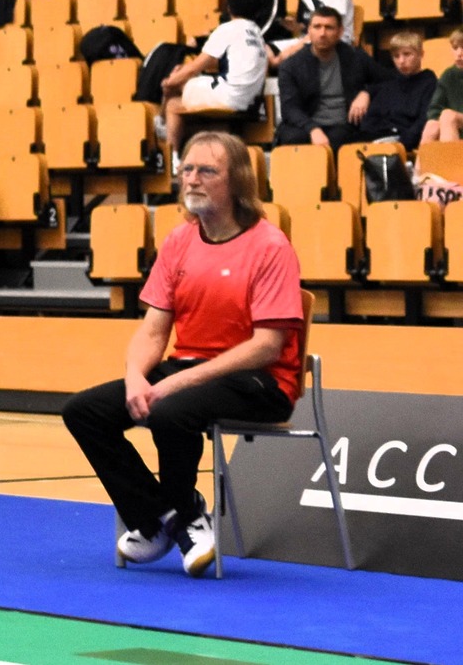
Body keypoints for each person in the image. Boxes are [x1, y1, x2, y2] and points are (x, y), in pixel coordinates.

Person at [60, 131, 303, 577]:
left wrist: (173, 382)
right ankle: (167, 519)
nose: (192, 179)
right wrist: (136, 375)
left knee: (171, 408)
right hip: (189, 371)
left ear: (238, 181)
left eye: (207, 171)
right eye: (187, 169)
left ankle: (177, 516)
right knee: (84, 411)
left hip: (260, 381)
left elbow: (268, 345)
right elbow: (154, 329)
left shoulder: (270, 246)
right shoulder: (178, 242)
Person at [159, 17, 269, 156]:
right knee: (180, 84)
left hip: (231, 97)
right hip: (252, 98)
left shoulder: (228, 30)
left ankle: (171, 153)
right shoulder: (256, 33)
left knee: (173, 102)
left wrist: (168, 82)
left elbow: (194, 69)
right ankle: (164, 123)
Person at [275, 7, 382, 148]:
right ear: (309, 31)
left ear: (340, 31)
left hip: (343, 125)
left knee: (338, 140)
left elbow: (389, 80)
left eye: (329, 28)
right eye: (317, 27)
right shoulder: (291, 66)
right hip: (306, 124)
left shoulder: (356, 57)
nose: (322, 33)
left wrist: (367, 92)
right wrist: (313, 128)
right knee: (294, 139)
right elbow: (289, 108)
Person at [357, 31, 435, 149]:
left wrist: (402, 143)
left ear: (421, 54)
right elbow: (370, 119)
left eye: (407, 54)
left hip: (404, 140)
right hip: (380, 136)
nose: (401, 61)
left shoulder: (430, 83)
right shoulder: (390, 84)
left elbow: (424, 120)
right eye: (396, 56)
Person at [422, 28, 463, 145]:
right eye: (455, 49)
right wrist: (435, 122)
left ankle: (450, 163)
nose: (459, 54)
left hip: (455, 121)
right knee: (432, 126)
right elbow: (434, 109)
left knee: (448, 116)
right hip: (453, 128)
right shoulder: (448, 75)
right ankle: (420, 164)